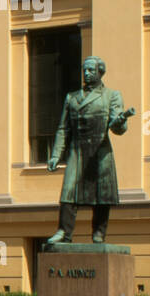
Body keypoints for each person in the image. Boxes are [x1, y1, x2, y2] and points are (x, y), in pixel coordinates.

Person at [45, 56, 135, 244]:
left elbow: (117, 128)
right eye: (84, 70)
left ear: (100, 72)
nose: (86, 73)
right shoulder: (72, 97)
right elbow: (63, 128)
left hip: (99, 151)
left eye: (91, 70)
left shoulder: (112, 95)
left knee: (102, 194)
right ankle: (64, 232)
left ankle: (99, 232)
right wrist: (55, 155)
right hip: (77, 150)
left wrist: (121, 120)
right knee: (68, 191)